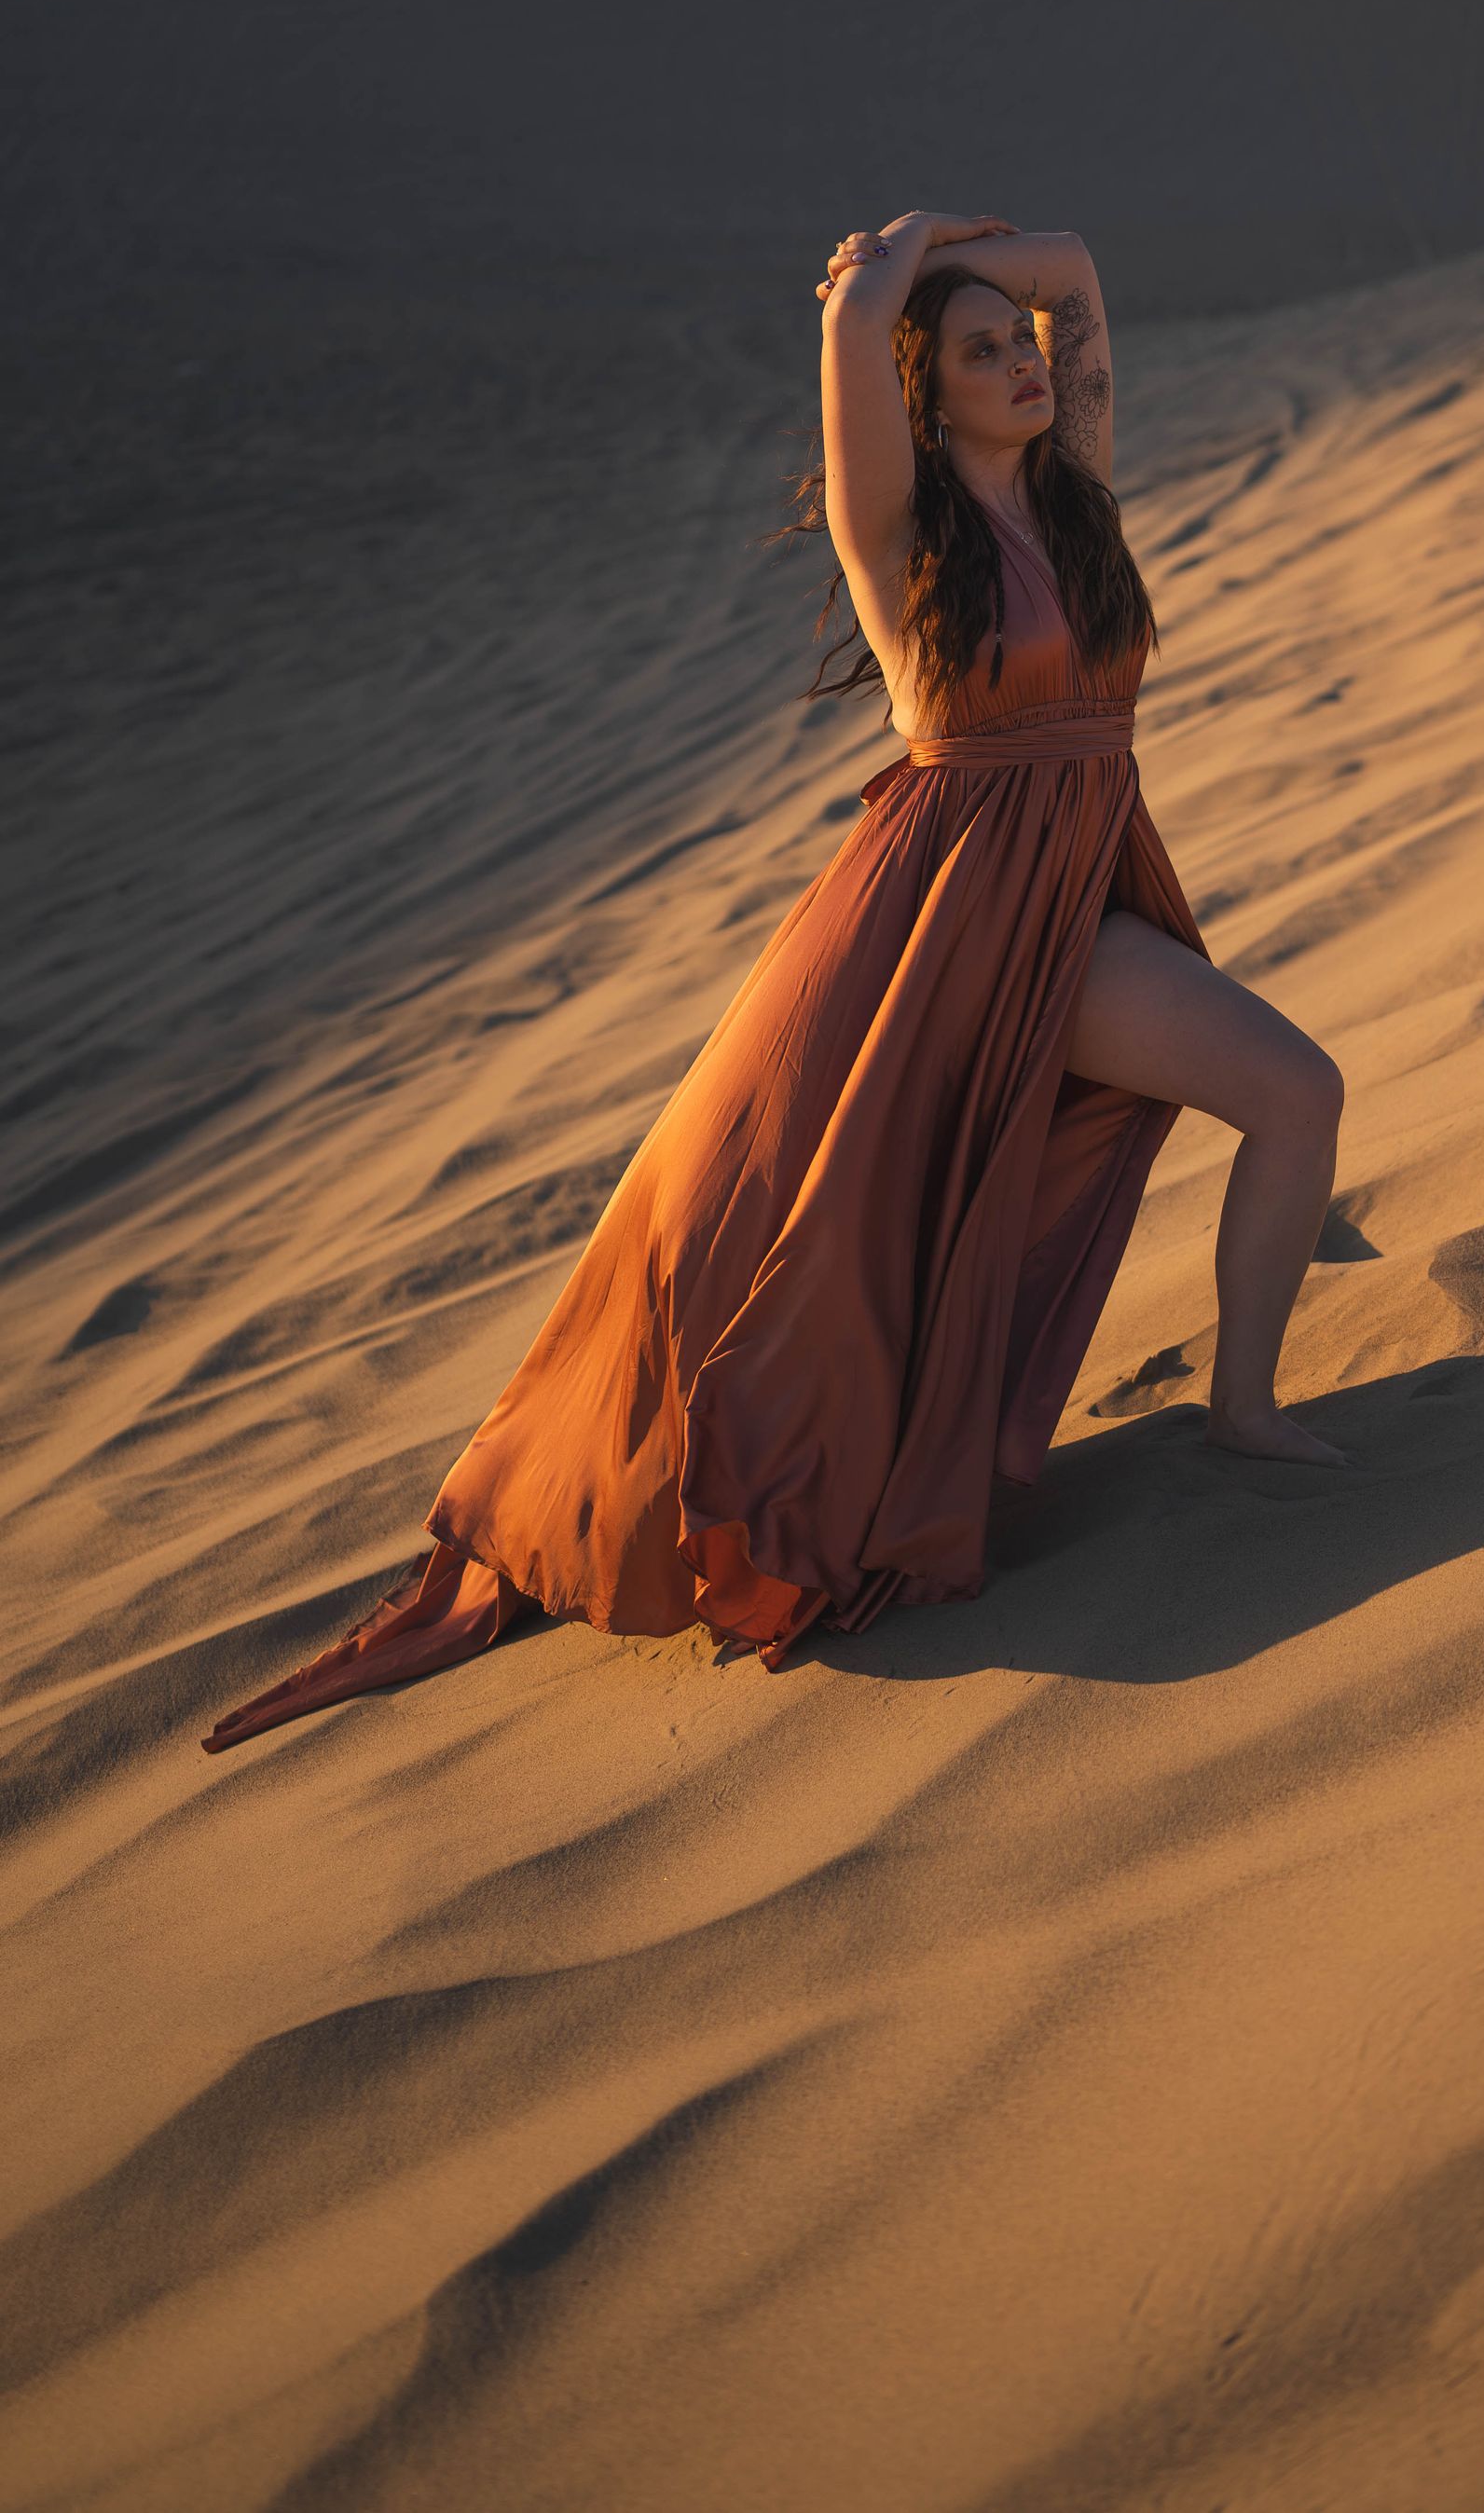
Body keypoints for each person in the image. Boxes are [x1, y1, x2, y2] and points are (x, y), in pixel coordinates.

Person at [202, 210, 1344, 1753]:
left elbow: (1074, 270)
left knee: (1296, 1093)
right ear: (924, 396)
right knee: (759, 1219)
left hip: (1069, 909)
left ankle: (1247, 1407)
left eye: (1024, 347)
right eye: (984, 351)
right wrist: (904, 261)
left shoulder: (1077, 501)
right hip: (939, 933)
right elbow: (855, 323)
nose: (1025, 361)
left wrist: (995, 252)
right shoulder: (902, 547)